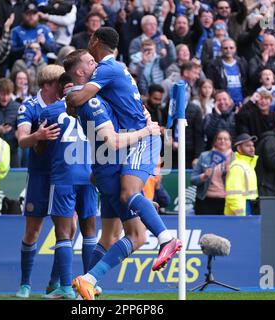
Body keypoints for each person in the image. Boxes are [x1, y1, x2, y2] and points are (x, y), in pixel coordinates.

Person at [66, 27, 182, 274]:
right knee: (113, 235)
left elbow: (77, 103)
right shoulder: (111, 73)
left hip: (136, 142)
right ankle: (87, 284)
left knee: (128, 200)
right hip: (119, 152)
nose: (91, 61)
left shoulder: (106, 71)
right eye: (87, 62)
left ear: (97, 41)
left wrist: (70, 98)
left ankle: (165, 238)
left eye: (90, 55)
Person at [62, 49, 162, 300]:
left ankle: (87, 284)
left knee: (109, 235)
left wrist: (141, 115)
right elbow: (112, 140)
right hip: (113, 170)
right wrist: (147, 131)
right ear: (79, 71)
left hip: (106, 170)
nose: (95, 63)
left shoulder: (94, 93)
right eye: (89, 61)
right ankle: (89, 279)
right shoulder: (90, 99)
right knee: (137, 236)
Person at [38, 75, 98, 300]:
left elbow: (40, 147)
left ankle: (65, 288)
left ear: (63, 89)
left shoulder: (51, 111)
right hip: (90, 175)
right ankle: (91, 284)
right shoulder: (94, 107)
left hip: (64, 176)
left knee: (63, 234)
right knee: (90, 231)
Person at [16, 64, 65, 298]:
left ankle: (54, 283)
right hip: (39, 177)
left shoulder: (69, 105)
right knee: (33, 232)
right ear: (47, 85)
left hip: (64, 176)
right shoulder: (30, 107)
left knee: (67, 229)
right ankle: (25, 283)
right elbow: (22, 140)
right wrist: (38, 136)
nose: (65, 87)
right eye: (60, 84)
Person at [191, 129, 234, 215]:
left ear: (230, 142)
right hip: (206, 201)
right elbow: (192, 180)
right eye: (219, 138)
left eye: (226, 139)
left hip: (228, 201)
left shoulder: (235, 158)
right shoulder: (204, 156)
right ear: (214, 141)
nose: (223, 141)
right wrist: (203, 176)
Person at [224, 133, 258, 216]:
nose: (252, 148)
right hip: (240, 213)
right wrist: (240, 215)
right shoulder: (236, 167)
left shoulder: (248, 165)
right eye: (247, 146)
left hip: (248, 208)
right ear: (239, 148)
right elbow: (233, 194)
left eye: (252, 145)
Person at [255, 122, 275, 196]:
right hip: (265, 186)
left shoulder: (273, 140)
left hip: (268, 186)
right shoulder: (272, 140)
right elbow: (271, 161)